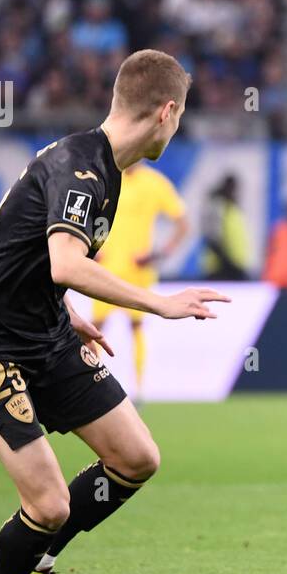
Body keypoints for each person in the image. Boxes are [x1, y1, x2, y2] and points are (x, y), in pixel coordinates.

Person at [0, 49, 229, 574]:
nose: (178, 129)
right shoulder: (82, 170)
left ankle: (41, 560)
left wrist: (69, 315)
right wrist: (159, 303)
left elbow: (20, 251)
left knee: (136, 458)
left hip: (47, 331)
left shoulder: (101, 168)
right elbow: (67, 261)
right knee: (47, 503)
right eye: (181, 117)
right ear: (167, 112)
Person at [91, 162, 190, 397]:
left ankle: (139, 389)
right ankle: (91, 384)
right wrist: (93, 248)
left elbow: (183, 224)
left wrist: (159, 253)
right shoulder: (108, 179)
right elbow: (89, 217)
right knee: (95, 328)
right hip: (106, 268)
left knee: (135, 327)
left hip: (137, 269)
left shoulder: (154, 183)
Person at [201, 173, 252, 280]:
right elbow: (212, 239)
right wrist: (229, 264)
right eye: (232, 188)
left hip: (235, 266)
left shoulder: (232, 208)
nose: (234, 191)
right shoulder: (217, 207)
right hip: (220, 269)